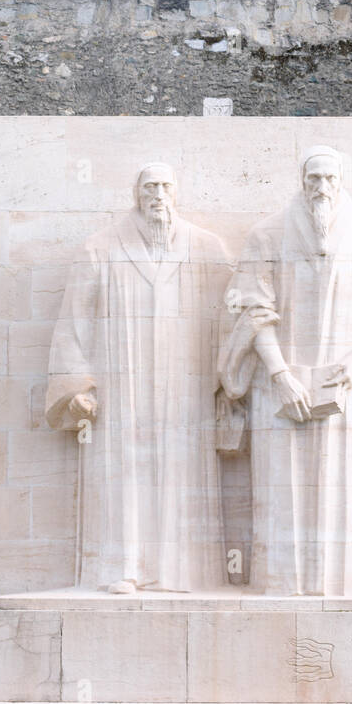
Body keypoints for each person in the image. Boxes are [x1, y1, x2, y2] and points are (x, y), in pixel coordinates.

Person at [218, 144, 352, 596]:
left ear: (342, 181)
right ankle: (284, 584)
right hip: (280, 386)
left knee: (351, 490)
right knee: (283, 493)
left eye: (330, 178)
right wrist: (279, 374)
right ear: (302, 181)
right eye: (314, 178)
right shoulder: (267, 235)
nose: (322, 187)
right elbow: (251, 310)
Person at [45, 162, 230, 593]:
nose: (158, 195)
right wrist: (78, 385)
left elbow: (233, 316)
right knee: (126, 472)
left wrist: (229, 383)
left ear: (176, 193)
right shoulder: (101, 248)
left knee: (181, 468)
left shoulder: (206, 248)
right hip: (121, 387)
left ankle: (180, 569)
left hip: (186, 389)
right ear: (137, 194)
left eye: (166, 186)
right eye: (150, 187)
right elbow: (75, 321)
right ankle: (123, 568)